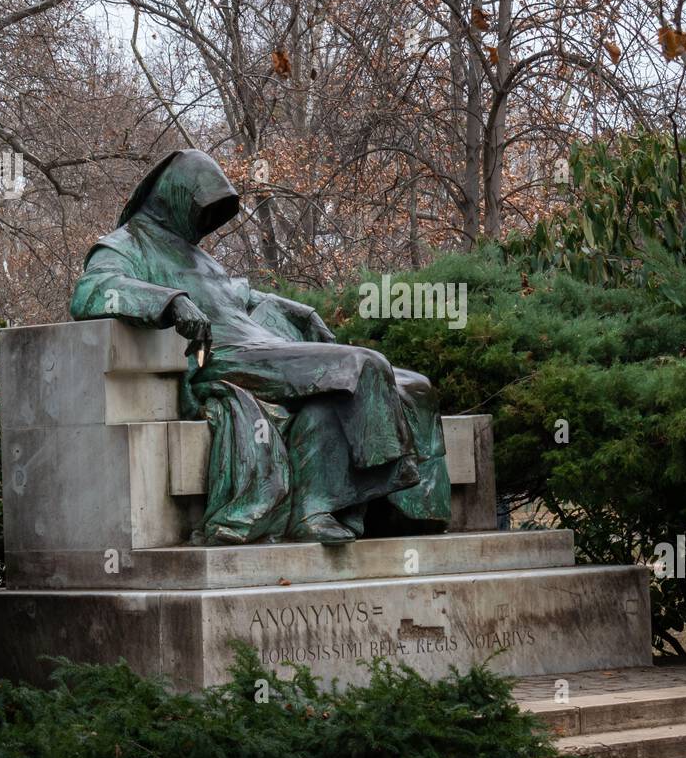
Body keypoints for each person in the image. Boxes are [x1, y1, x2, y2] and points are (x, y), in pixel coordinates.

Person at [70, 150, 451, 545]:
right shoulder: (126, 243)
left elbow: (238, 296)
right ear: (175, 195)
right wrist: (169, 301)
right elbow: (92, 291)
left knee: (415, 385)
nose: (206, 221)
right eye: (203, 208)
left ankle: (383, 511)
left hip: (266, 345)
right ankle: (382, 486)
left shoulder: (197, 255)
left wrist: (297, 309)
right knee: (364, 365)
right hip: (226, 358)